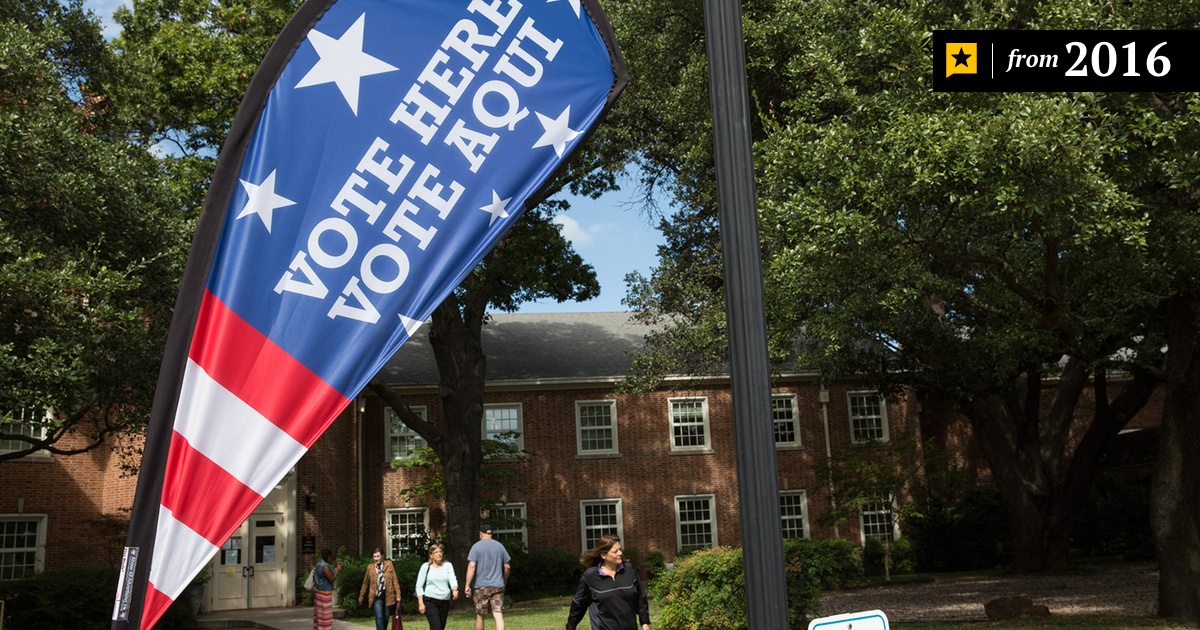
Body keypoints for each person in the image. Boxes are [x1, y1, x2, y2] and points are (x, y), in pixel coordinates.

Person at [566, 535, 650, 630]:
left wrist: (645, 622)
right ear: (603, 555)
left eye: (620, 549)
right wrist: (570, 626)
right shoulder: (590, 576)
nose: (620, 553)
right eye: (615, 551)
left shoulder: (630, 570)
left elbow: (641, 598)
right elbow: (578, 605)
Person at [464, 524, 511, 630]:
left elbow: (472, 566)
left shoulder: (476, 547)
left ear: (481, 534)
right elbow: (507, 567)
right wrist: (504, 579)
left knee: (480, 615)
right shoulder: (500, 546)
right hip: (498, 586)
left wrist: (467, 585)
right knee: (498, 614)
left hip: (481, 586)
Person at [416, 543, 459, 630]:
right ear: (431, 555)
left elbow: (452, 579)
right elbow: (419, 586)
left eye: (440, 551)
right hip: (430, 600)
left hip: (444, 600)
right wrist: (421, 603)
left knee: (441, 627)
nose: (439, 554)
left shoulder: (448, 566)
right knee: (436, 627)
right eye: (436, 552)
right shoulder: (425, 567)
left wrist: (454, 589)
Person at [358, 547, 402, 630]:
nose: (376, 559)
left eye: (378, 556)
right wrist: (361, 596)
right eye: (374, 557)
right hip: (377, 597)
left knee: (385, 618)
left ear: (382, 556)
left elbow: (394, 580)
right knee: (379, 618)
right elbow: (365, 583)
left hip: (388, 595)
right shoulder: (370, 568)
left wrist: (398, 594)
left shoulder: (389, 565)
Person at [312, 548, 342, 630]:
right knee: (325, 615)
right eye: (330, 557)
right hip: (324, 593)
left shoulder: (318, 564)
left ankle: (319, 628)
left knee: (319, 614)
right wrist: (337, 571)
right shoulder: (325, 566)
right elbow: (331, 580)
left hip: (318, 592)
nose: (331, 558)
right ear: (328, 556)